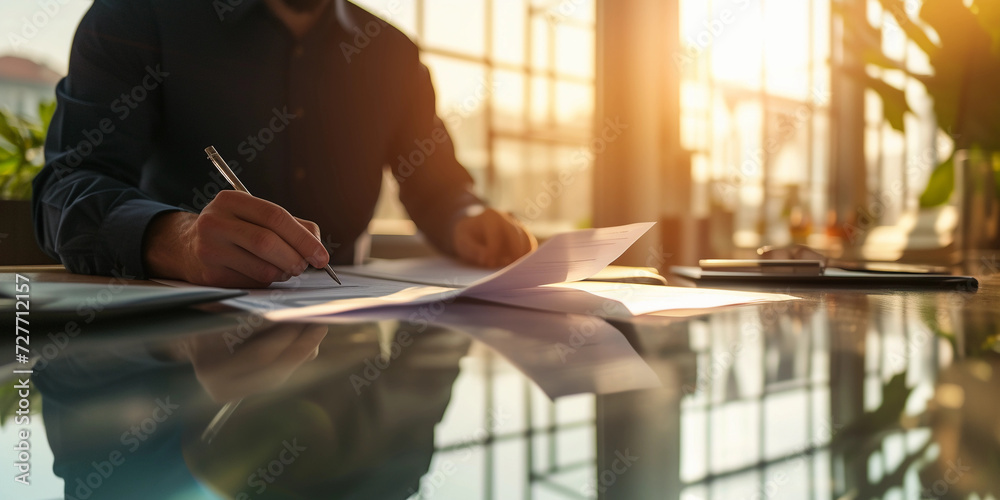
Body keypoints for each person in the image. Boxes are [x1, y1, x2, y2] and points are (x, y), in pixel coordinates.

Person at [33, 0, 536, 288]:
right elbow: (64, 188)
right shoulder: (136, 17)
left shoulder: (393, 54)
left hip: (350, 360)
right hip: (175, 367)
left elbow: (437, 188)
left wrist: (467, 218)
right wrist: (176, 241)